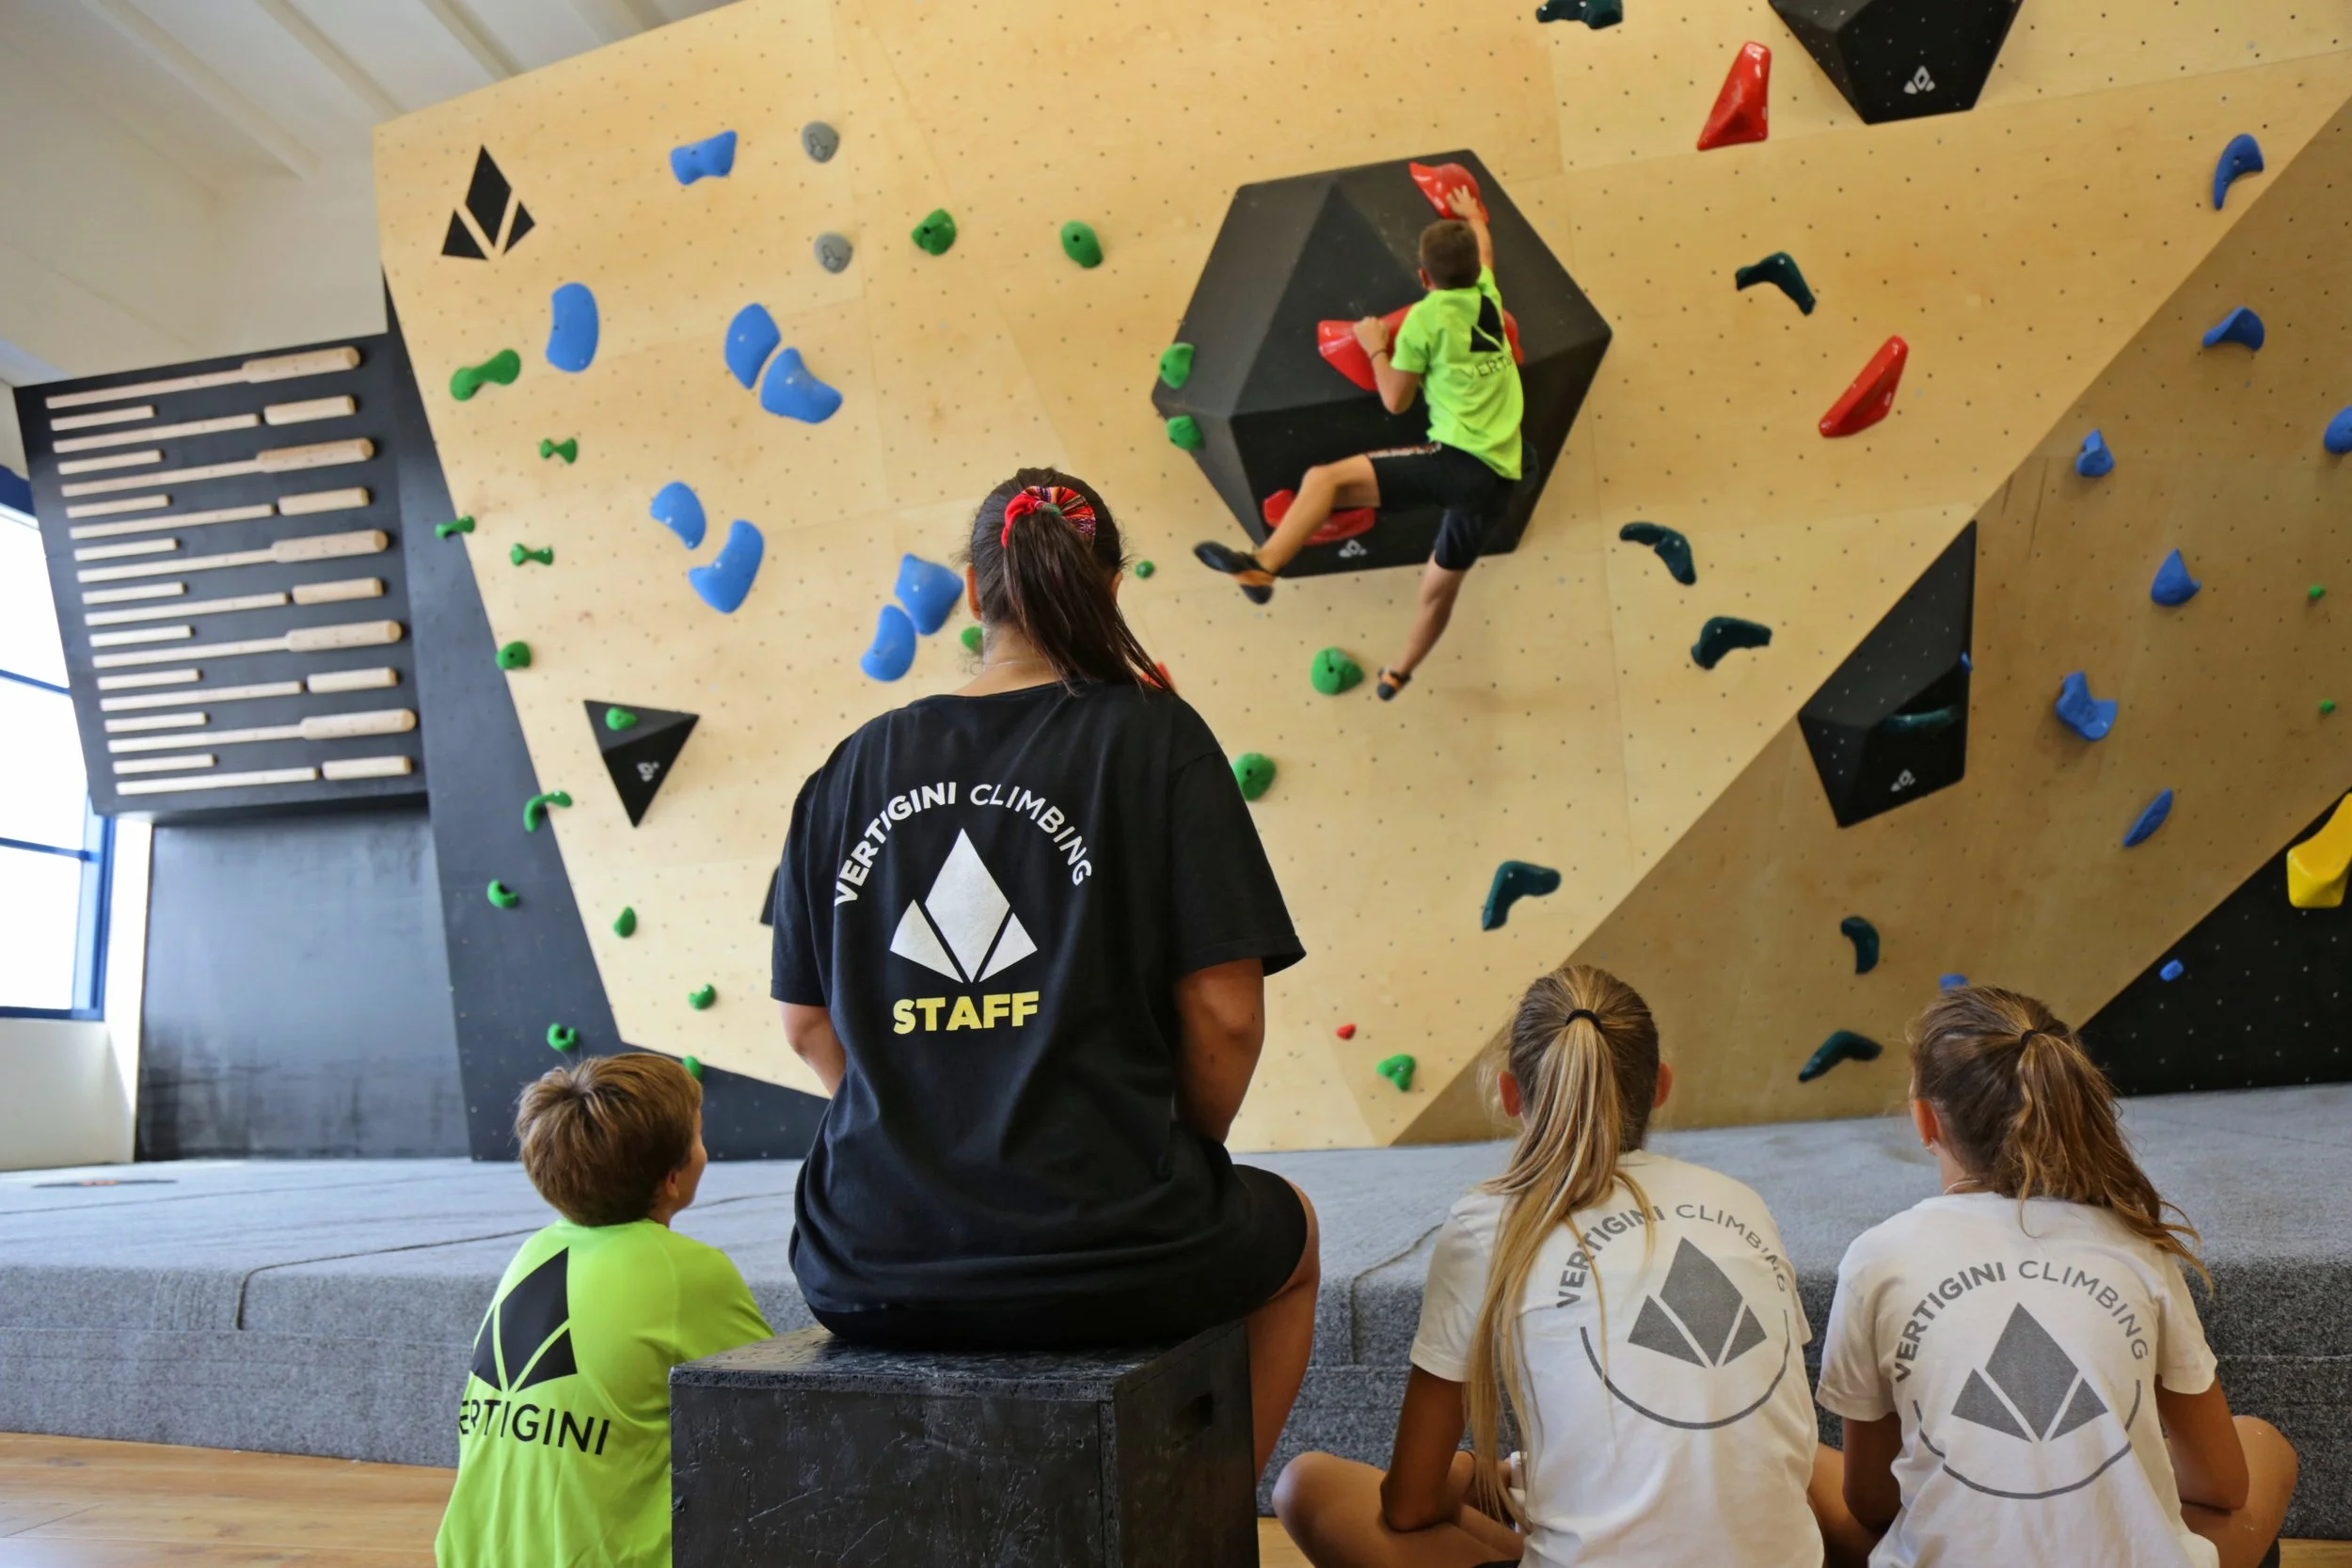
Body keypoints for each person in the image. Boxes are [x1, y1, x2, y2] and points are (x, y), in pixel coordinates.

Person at [770, 467, 1319, 1479]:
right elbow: (1226, 1015)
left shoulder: (850, 764)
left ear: (974, 595)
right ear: (1110, 588)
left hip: (863, 1259)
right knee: (1293, 1240)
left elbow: (807, 1021)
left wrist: (925, 1108)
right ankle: (1202, 1521)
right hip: (1111, 1245)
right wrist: (1180, 1150)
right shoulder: (1158, 735)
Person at [1273, 964, 1827, 1568]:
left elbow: (1407, 1507)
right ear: (1661, 1086)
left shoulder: (1487, 1221)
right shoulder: (1739, 1200)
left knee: (1307, 1486)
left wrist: (1471, 1471)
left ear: (1511, 1095)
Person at [1813, 986, 2299, 1568]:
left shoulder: (1875, 1257)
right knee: (2261, 1443)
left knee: (1795, 1457)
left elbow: (1869, 1502)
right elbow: (2224, 1487)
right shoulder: (2134, 1247)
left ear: (1924, 1119)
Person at [435, 1053, 771, 1568]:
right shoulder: (683, 1271)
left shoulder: (534, 1253)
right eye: (699, 1138)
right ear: (672, 1179)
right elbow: (780, 1408)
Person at [1193, 185, 1526, 701]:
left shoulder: (1425, 319)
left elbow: (1395, 399)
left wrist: (1374, 346)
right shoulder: (1486, 293)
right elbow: (1484, 251)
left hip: (1459, 462)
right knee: (1438, 591)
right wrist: (1471, 218)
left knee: (1323, 479)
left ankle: (1265, 566)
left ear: (1424, 278)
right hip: (1497, 482)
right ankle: (1400, 672)